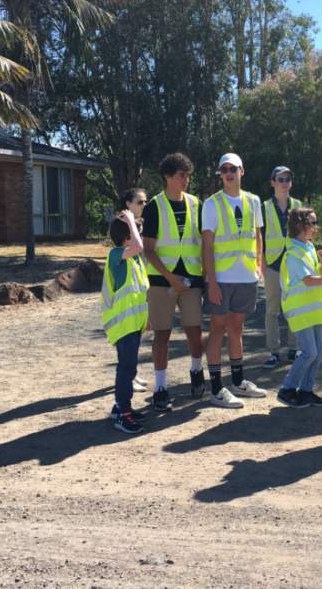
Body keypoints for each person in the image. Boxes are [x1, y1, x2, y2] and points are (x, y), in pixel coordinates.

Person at [201, 152, 268, 408]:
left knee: (237, 328)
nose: (228, 173)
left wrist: (258, 263)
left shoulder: (253, 201)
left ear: (242, 170)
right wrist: (213, 282)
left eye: (233, 168)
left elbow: (257, 234)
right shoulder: (212, 204)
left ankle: (238, 381)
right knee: (218, 328)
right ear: (220, 174)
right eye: (224, 169)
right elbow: (207, 246)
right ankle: (216, 388)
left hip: (245, 276)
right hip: (222, 278)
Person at [142, 153, 205, 411]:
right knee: (162, 335)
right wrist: (170, 278)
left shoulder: (196, 204)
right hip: (161, 281)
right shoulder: (154, 206)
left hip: (192, 279)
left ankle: (196, 371)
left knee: (194, 330)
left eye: (188, 175)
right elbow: (148, 249)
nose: (186, 180)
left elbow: (203, 242)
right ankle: (160, 387)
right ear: (168, 176)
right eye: (181, 175)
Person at [276, 207, 322, 408]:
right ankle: (287, 389)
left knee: (319, 351)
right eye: (313, 223)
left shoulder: (307, 247)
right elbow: (307, 281)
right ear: (300, 225)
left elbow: (313, 275)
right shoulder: (293, 253)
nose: (316, 227)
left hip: (311, 309)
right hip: (300, 311)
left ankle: (305, 391)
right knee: (309, 352)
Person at [101, 209, 149, 434]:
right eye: (136, 232)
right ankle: (123, 412)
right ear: (126, 236)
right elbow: (139, 245)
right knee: (126, 368)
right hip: (123, 325)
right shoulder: (116, 254)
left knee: (129, 369)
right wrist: (130, 220)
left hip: (133, 324)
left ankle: (121, 406)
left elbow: (139, 291)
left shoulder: (135, 259)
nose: (140, 235)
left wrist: (145, 320)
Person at [262, 166, 301, 369]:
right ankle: (273, 352)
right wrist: (261, 265)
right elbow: (259, 237)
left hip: (293, 265)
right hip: (272, 265)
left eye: (287, 178)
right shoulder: (264, 207)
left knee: (293, 308)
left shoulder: (298, 206)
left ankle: (293, 350)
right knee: (272, 310)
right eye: (280, 179)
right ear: (273, 182)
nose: (285, 182)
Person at [117, 188, 150, 393]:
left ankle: (133, 374)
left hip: (138, 285)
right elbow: (135, 248)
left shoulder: (140, 223)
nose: (143, 205)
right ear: (128, 204)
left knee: (136, 335)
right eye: (140, 201)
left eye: (145, 201)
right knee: (127, 339)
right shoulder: (121, 224)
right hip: (125, 289)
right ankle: (128, 378)